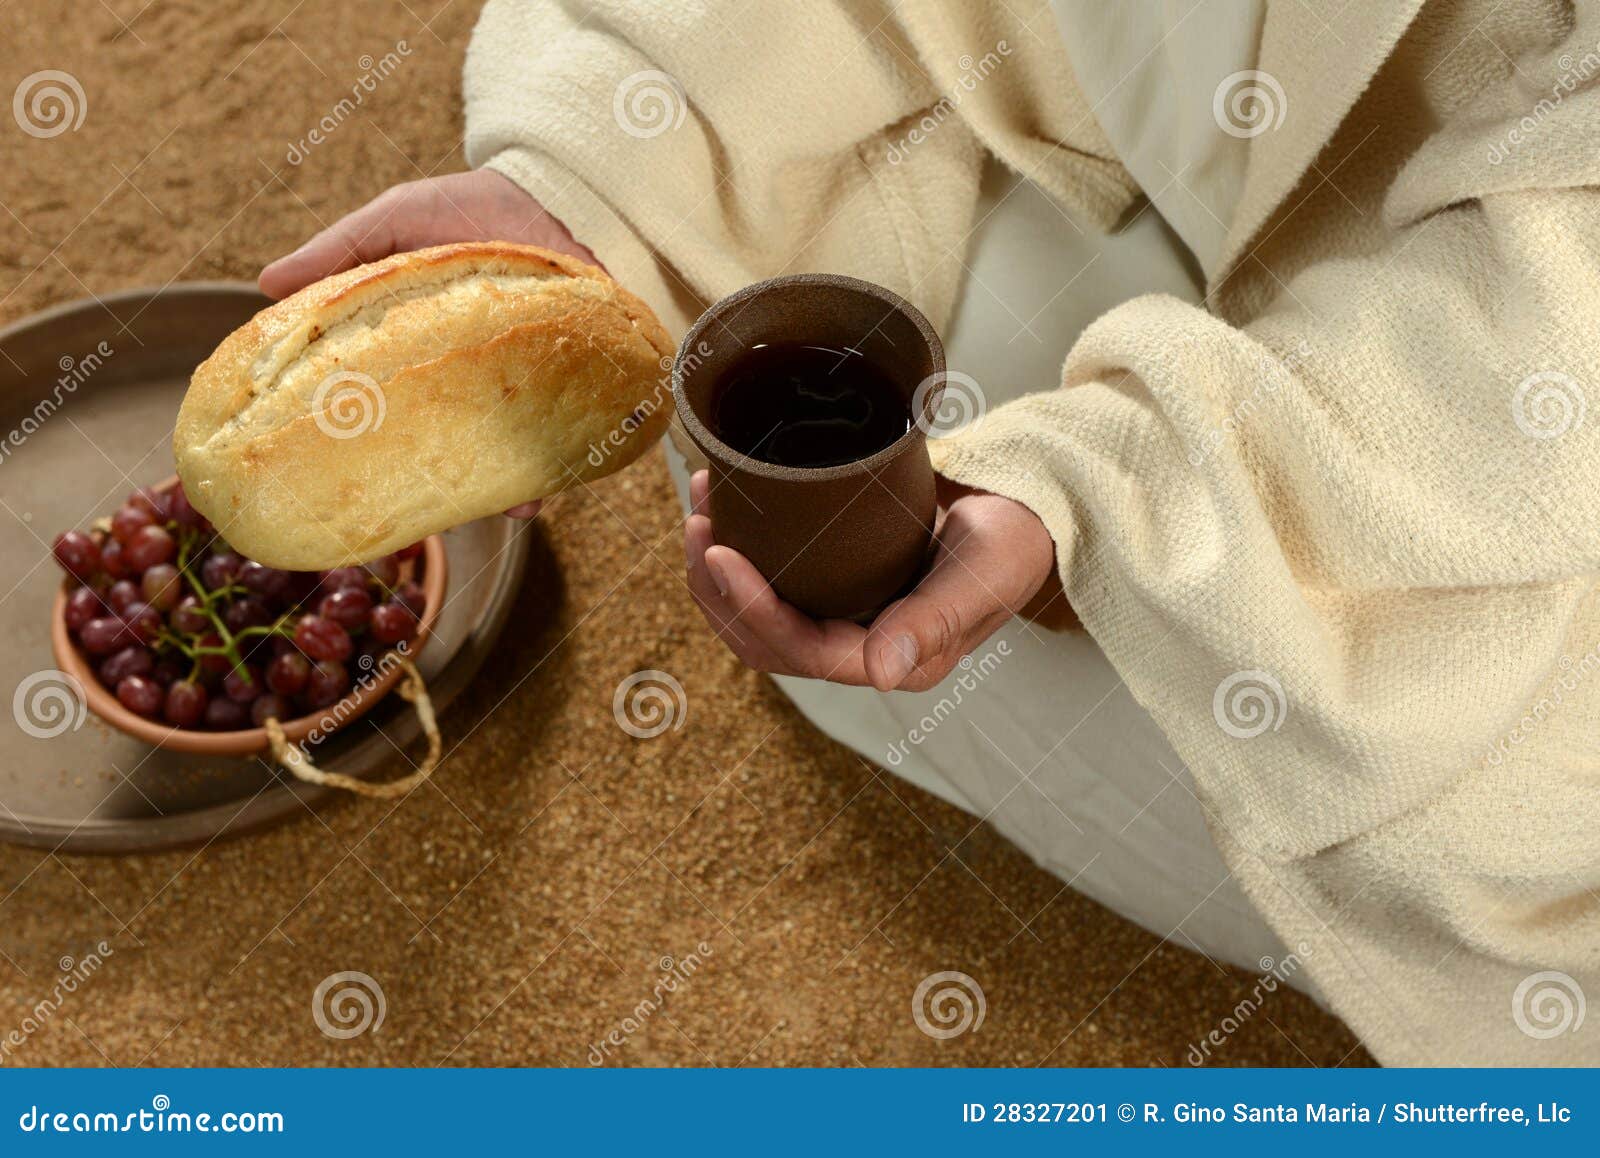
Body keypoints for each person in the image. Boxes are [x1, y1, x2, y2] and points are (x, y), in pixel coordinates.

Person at [263, 0, 1600, 1065]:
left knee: (1402, 795)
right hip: (1229, 139)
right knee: (770, 312)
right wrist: (609, 184)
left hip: (1511, 383)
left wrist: (1109, 497)